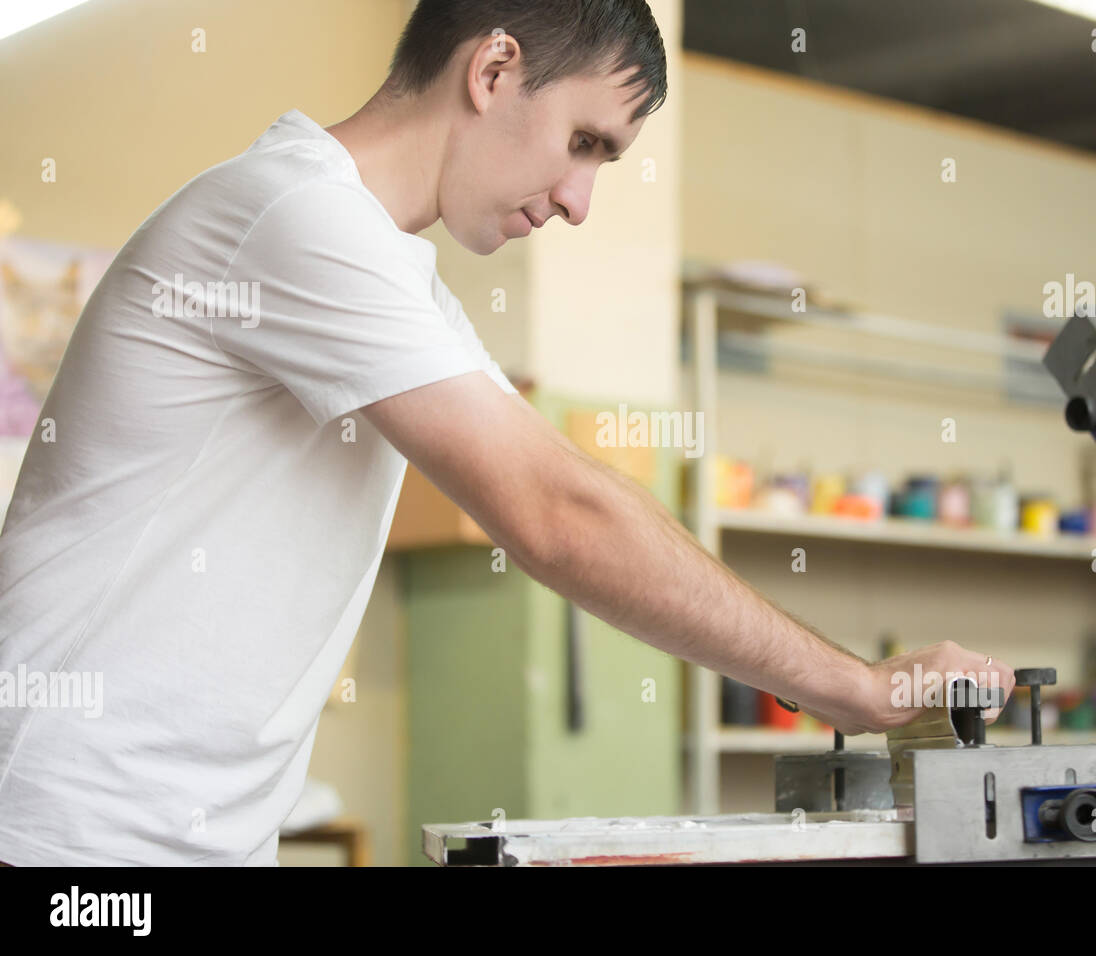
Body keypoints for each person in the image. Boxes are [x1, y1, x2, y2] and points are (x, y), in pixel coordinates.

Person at [0, 0, 1013, 866]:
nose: (578, 202)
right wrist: (860, 685)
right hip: (69, 835)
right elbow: (560, 516)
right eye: (584, 144)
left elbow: (569, 485)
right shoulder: (293, 215)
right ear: (492, 68)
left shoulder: (401, 282)